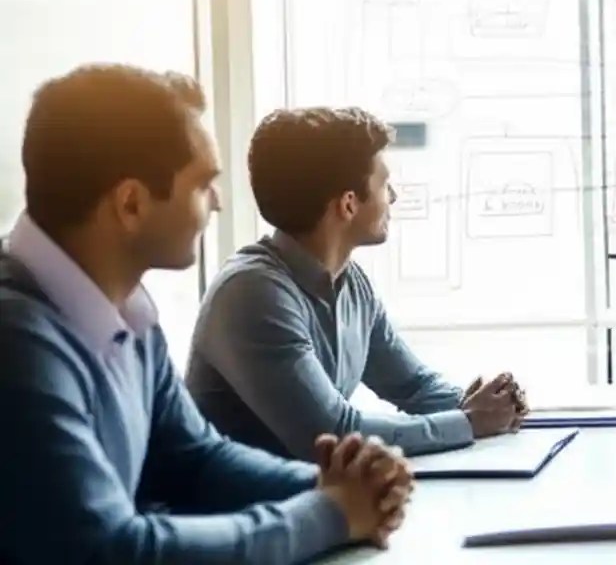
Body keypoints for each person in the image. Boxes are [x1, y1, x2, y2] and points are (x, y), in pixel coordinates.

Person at [0, 65, 411, 563]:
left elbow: (192, 460)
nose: (216, 203)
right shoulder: (17, 342)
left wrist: (336, 485)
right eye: (202, 185)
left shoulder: (126, 311)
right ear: (131, 203)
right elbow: (112, 551)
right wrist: (333, 512)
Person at [186, 106, 526, 461]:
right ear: (348, 204)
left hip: (302, 501)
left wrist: (490, 405)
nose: (392, 197)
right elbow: (334, 432)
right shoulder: (253, 293)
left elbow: (412, 384)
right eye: (384, 185)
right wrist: (469, 422)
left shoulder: (351, 283)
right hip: (241, 510)